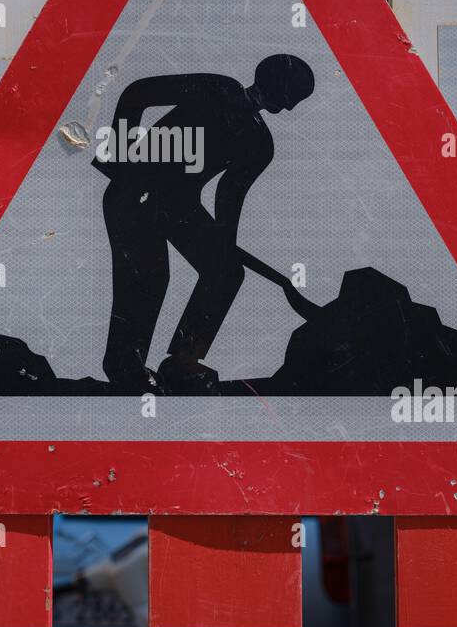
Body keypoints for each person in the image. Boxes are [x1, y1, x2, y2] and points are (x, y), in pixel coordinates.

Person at [94, 54, 315, 393]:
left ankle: (182, 362)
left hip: (179, 207)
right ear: (277, 87)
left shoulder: (260, 145)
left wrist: (224, 246)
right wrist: (119, 159)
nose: (287, 109)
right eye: (288, 99)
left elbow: (229, 198)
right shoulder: (218, 88)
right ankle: (124, 364)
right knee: (151, 276)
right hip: (135, 191)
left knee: (226, 272)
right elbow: (137, 94)